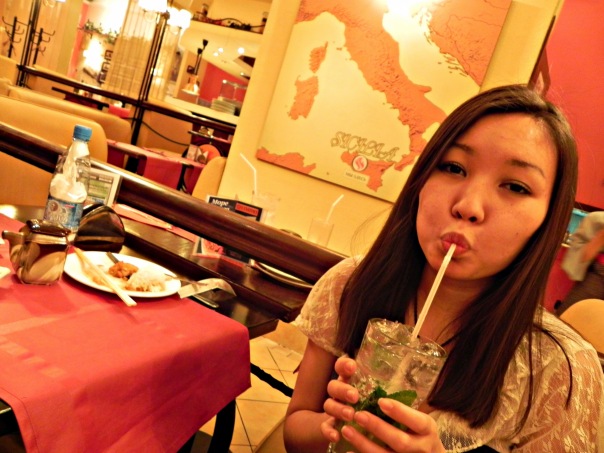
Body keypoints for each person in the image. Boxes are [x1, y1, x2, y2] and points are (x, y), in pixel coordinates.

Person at [283, 85, 603, 452]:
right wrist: (341, 425)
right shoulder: (349, 284)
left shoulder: (560, 372)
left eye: (515, 187)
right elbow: (295, 431)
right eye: (453, 167)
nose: (468, 206)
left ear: (548, 219)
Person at [556, 211, 604, 315]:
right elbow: (586, 255)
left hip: (597, 275)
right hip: (598, 276)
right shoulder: (597, 220)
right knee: (569, 314)